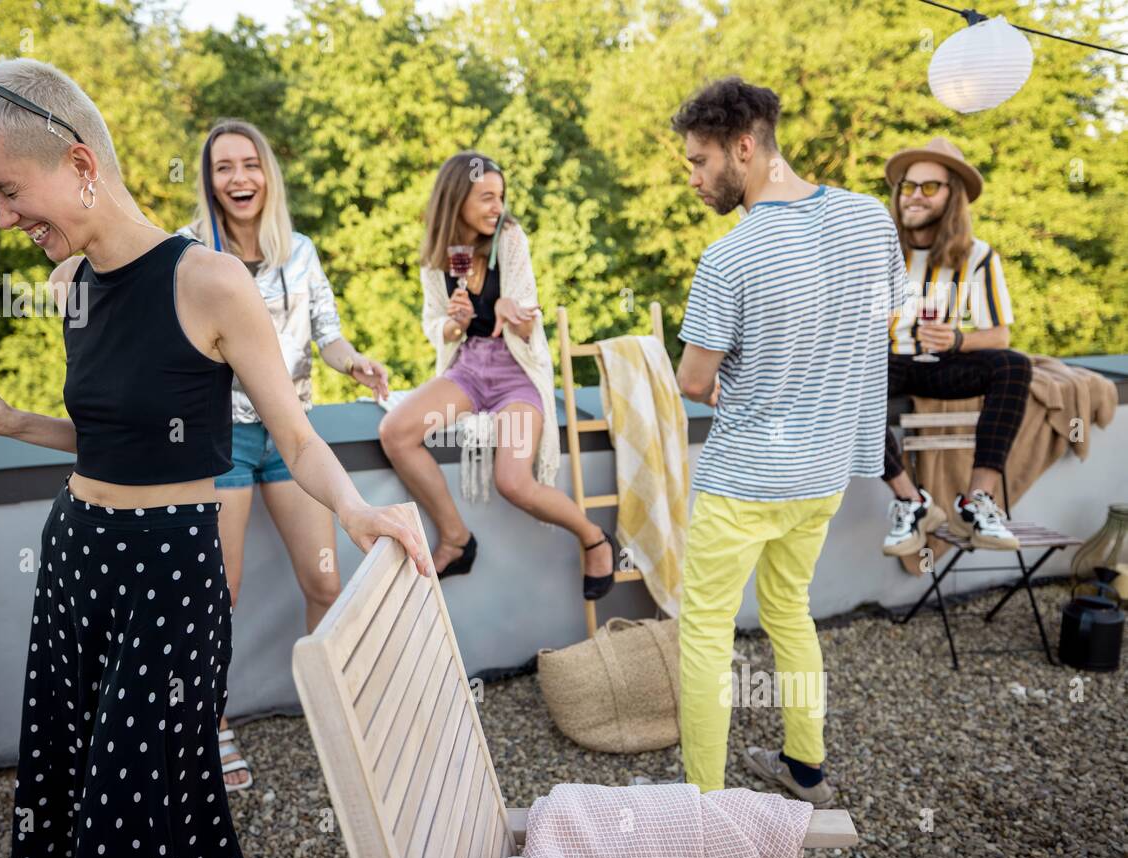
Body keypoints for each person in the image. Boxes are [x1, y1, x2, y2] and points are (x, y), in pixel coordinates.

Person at [0, 58, 427, 858]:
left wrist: (358, 510)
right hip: (75, 558)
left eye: (6, 191)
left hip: (169, 574)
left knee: (141, 808)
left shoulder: (211, 281)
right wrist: (11, 420)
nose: (1, 218)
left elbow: (296, 436)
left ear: (81, 165)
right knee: (70, 783)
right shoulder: (71, 285)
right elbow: (111, 440)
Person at [671, 78, 898, 805]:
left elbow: (692, 379)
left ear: (745, 147)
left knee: (705, 631)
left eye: (700, 162)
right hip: (824, 472)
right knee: (790, 612)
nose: (695, 179)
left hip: (744, 480)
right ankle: (806, 771)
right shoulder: (870, 220)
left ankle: (701, 805)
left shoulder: (729, 258)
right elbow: (879, 324)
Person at [177, 119, 391, 792]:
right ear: (209, 183)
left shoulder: (299, 250)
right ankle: (210, 725)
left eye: (251, 164)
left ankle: (329, 713)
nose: (239, 178)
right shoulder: (188, 253)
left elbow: (327, 335)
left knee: (326, 582)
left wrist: (354, 361)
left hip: (291, 435)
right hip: (221, 438)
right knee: (221, 594)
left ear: (267, 174)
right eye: (223, 168)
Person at [378, 152, 618, 599]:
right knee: (395, 431)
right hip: (469, 370)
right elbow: (439, 328)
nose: (497, 206)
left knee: (513, 481)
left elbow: (528, 316)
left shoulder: (509, 238)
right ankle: (456, 538)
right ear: (457, 199)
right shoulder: (439, 258)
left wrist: (514, 313)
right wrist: (455, 322)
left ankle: (595, 538)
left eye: (500, 197)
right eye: (486, 197)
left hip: (515, 377)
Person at [879, 137, 1030, 555]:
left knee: (1014, 366)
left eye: (929, 187)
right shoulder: (878, 250)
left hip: (943, 364)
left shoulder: (978, 256)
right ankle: (912, 501)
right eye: (909, 186)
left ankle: (976, 501)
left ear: (952, 196)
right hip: (887, 360)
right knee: (849, 381)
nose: (914, 196)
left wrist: (958, 338)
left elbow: (999, 335)